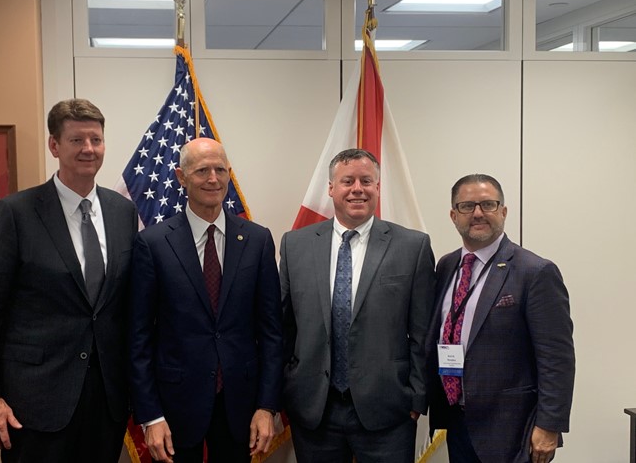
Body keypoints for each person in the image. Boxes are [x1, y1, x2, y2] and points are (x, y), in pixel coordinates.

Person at [0, 99, 138, 462]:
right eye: (77, 140)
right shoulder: (17, 212)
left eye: (96, 139)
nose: (88, 149)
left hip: (106, 399)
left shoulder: (123, 212)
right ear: (54, 146)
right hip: (35, 401)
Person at [129, 137, 283, 463]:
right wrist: (150, 415)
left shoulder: (257, 240)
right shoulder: (153, 244)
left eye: (220, 170)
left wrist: (267, 406)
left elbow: (271, 333)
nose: (212, 179)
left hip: (239, 406)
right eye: (201, 171)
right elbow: (138, 337)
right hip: (173, 408)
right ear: (181, 177)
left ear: (229, 175)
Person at [279, 148, 435, 463]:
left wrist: (417, 399)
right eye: (347, 181)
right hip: (314, 409)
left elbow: (423, 332)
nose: (357, 189)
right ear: (331, 189)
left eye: (366, 180)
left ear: (378, 187)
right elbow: (283, 328)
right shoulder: (295, 245)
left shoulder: (412, 246)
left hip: (389, 411)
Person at [426, 174, 575, 463]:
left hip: (512, 428)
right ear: (453, 215)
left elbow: (557, 358)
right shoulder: (446, 266)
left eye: (488, 204)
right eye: (467, 206)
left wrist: (549, 425)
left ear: (503, 211)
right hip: (456, 422)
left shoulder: (534, 271)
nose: (478, 213)